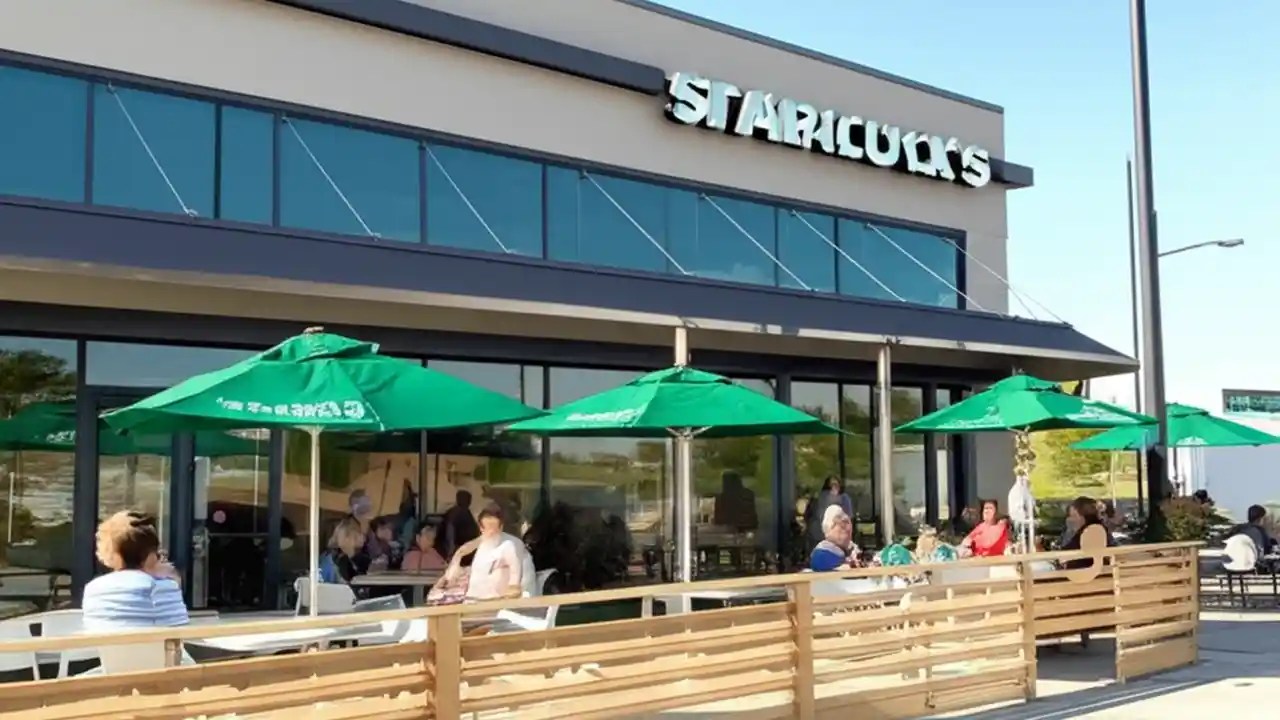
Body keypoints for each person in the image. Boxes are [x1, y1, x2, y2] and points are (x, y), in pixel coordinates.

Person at [82, 511, 189, 631]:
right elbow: (178, 628)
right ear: (150, 555)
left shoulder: (92, 589)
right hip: (153, 643)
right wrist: (172, 579)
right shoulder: (163, 587)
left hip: (105, 643)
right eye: (157, 553)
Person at [443, 506, 528, 600]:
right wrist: (454, 566)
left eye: (494, 528)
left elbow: (515, 572)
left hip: (496, 600)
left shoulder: (509, 545)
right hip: (473, 598)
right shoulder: (482, 543)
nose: (491, 532)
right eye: (487, 528)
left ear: (501, 527)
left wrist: (513, 589)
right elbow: (462, 551)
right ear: (481, 528)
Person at [319, 516, 370, 584]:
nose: (363, 537)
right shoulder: (335, 561)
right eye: (359, 532)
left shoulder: (355, 557)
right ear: (347, 537)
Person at [809, 506, 857, 571]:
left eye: (848, 523)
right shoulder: (821, 553)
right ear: (830, 527)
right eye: (842, 525)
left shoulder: (851, 549)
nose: (847, 530)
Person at [439, 490, 480, 560]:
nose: (469, 502)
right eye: (467, 499)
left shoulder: (465, 512)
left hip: (466, 548)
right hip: (458, 549)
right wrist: (451, 549)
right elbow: (450, 530)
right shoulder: (456, 513)